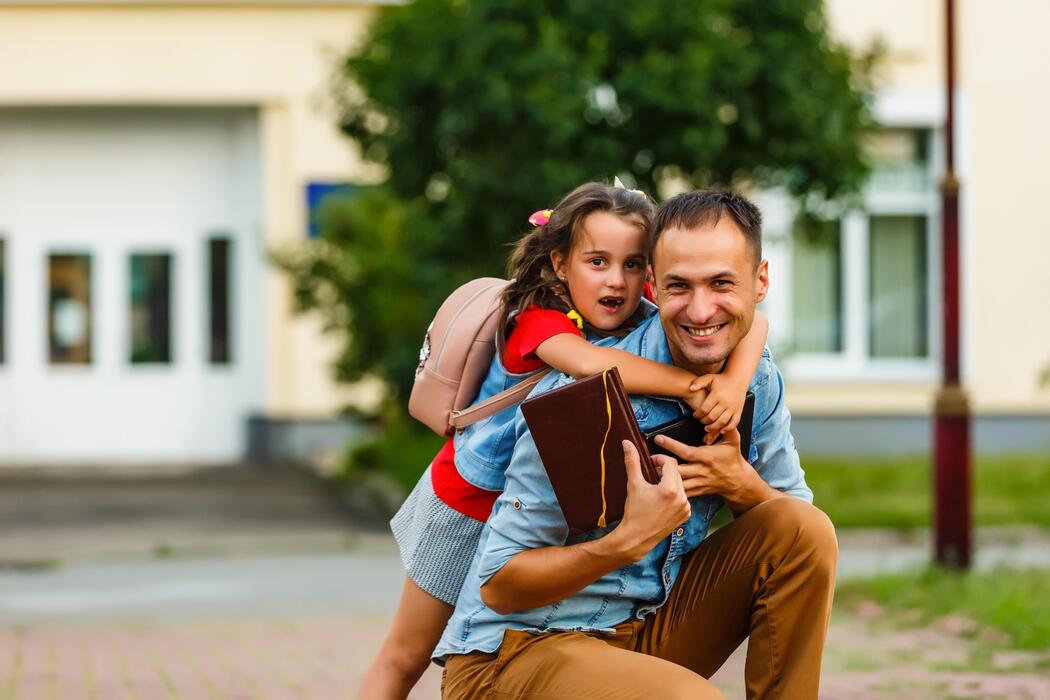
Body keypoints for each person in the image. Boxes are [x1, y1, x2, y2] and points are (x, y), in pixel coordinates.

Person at [359, 182, 770, 700]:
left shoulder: (641, 317)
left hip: (529, 506)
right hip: (469, 504)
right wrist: (698, 386)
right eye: (597, 262)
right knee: (405, 656)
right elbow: (590, 366)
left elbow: (758, 324)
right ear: (559, 263)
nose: (616, 280)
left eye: (634, 264)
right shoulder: (538, 320)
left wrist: (733, 385)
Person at [437, 190, 838, 700]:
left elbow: (795, 538)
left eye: (721, 283)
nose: (700, 309)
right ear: (653, 283)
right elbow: (498, 583)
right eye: (679, 287)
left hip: (641, 635)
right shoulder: (581, 398)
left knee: (803, 531)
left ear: (760, 281)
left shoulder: (755, 379)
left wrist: (740, 484)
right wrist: (625, 540)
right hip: (517, 654)